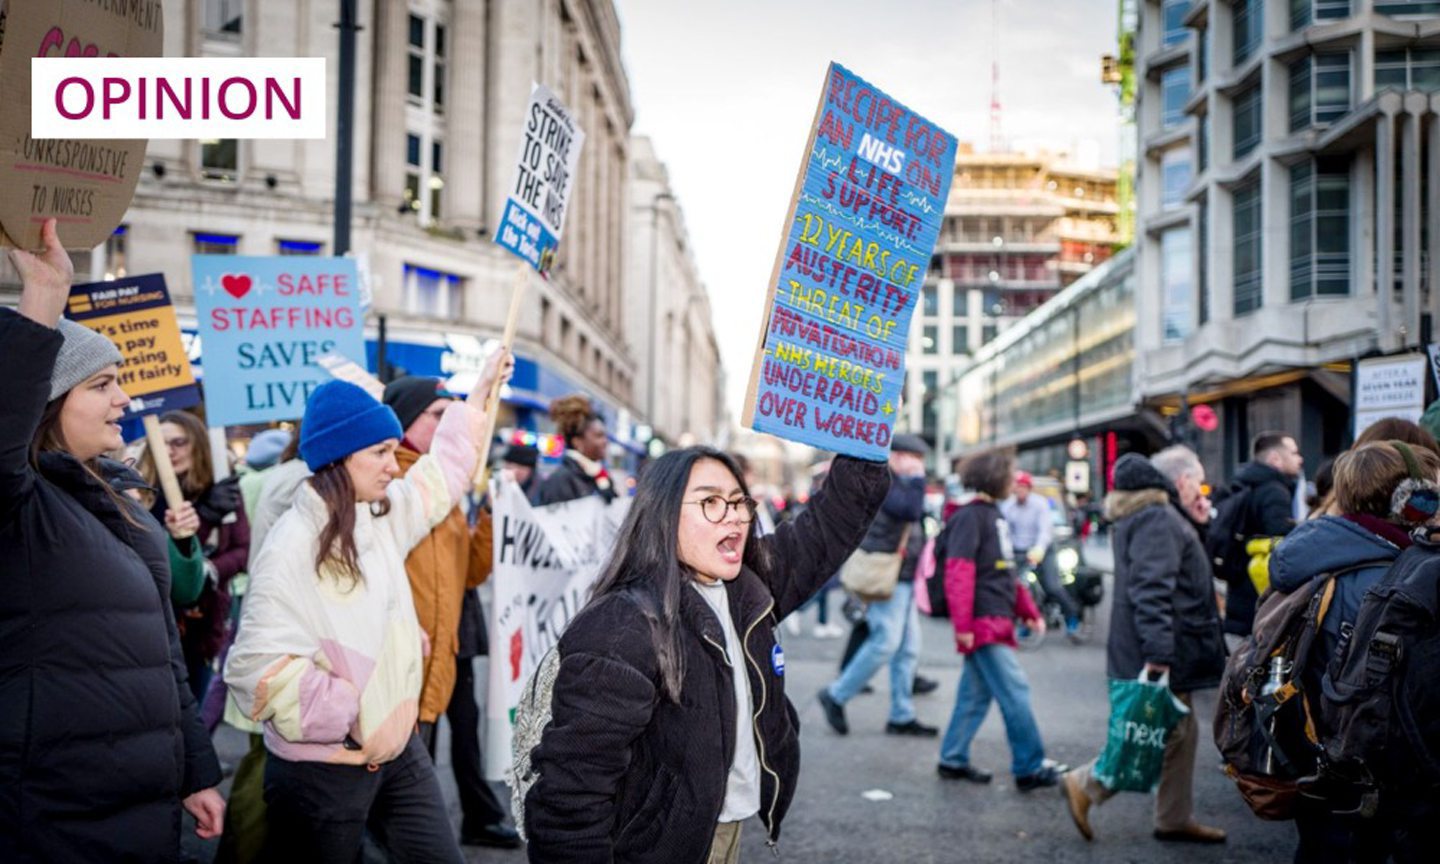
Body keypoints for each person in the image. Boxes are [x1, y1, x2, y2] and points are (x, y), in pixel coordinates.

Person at [522, 448, 890, 862]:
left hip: (721, 830)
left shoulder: (749, 588)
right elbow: (570, 796)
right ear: (662, 514)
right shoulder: (621, 627)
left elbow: (828, 526)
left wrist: (865, 443)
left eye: (738, 501)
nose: (733, 515)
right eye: (711, 502)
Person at [225, 347, 509, 864]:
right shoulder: (292, 545)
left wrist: (483, 387)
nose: (392, 463)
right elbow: (252, 669)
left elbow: (442, 474)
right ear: (339, 457)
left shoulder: (378, 516)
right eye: (379, 452)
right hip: (325, 768)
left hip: (398, 753)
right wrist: (347, 712)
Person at [0, 219, 225, 861]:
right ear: (44, 405)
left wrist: (195, 770)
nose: (124, 400)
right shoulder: (18, 503)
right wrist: (43, 298)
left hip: (144, 805)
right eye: (101, 385)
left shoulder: (121, 500)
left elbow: (164, 655)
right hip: (51, 810)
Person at [1269, 438, 1440, 863]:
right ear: (1410, 501)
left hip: (1317, 761)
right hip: (1361, 775)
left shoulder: (1319, 548)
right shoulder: (1387, 580)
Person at [381, 375, 520, 849]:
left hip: (445, 645)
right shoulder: (390, 481)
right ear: (404, 420)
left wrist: (490, 521)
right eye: (437, 416)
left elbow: (469, 574)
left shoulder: (446, 487)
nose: (447, 425)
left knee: (435, 747)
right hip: (399, 655)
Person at [1062, 447, 1227, 844]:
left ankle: (1172, 816)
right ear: (1182, 480)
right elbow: (1152, 591)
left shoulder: (1157, 516)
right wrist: (1158, 656)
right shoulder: (1158, 518)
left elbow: (1177, 570)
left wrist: (1199, 525)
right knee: (1157, 729)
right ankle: (1087, 784)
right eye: (1198, 479)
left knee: (1179, 729)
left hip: (1167, 642)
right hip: (1162, 646)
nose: (1202, 488)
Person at [935, 451, 1065, 791]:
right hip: (984, 622)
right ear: (994, 478)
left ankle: (952, 758)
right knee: (1015, 691)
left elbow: (1005, 574)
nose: (1015, 480)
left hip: (990, 618)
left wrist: (1029, 612)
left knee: (974, 696)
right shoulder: (971, 517)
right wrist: (963, 627)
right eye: (1010, 474)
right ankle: (1029, 767)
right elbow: (958, 575)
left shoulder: (992, 515)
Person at [818, 435, 937, 737]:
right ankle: (836, 694)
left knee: (908, 649)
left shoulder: (899, 481)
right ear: (896, 456)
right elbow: (910, 510)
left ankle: (901, 714)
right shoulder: (884, 481)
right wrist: (918, 479)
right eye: (914, 458)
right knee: (886, 642)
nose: (918, 465)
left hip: (903, 574)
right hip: (887, 576)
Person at [138, 409, 252, 700]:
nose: (168, 451)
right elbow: (156, 558)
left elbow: (243, 551)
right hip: (157, 620)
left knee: (195, 704)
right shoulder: (141, 495)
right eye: (160, 443)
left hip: (205, 619)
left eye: (179, 442)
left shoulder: (220, 488)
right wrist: (199, 521)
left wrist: (208, 569)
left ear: (197, 444)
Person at [1215, 431, 1304, 638]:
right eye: (1294, 453)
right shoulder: (1274, 491)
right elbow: (1282, 542)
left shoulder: (1245, 485)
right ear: (1275, 459)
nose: (1300, 459)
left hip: (1239, 599)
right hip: (1259, 603)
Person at [1003, 471, 1081, 638]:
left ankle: (1071, 615)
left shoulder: (1040, 504)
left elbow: (1045, 530)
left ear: (1029, 489)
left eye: (1023, 487)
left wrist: (1038, 549)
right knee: (1020, 588)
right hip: (1019, 552)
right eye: (1017, 487)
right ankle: (1027, 622)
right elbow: (1006, 531)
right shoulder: (1008, 506)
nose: (1020, 491)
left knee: (1052, 586)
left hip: (1042, 550)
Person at [535, 393, 615, 505]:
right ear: (577, 442)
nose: (605, 441)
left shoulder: (600, 476)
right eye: (598, 436)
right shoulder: (560, 481)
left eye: (605, 436)